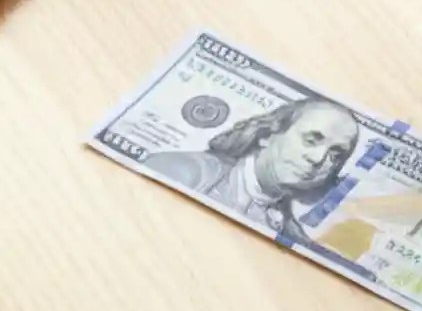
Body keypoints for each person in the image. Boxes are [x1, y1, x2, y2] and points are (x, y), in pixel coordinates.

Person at [146, 99, 360, 241]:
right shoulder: (187, 172)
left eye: (335, 155)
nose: (317, 159)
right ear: (268, 134)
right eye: (311, 140)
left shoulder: (292, 236)